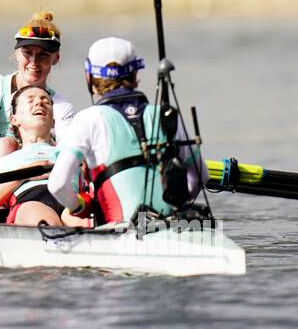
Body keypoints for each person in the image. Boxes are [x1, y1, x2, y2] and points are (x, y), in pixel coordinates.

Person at [46, 37, 204, 227]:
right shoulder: (166, 114)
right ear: (135, 74)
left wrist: (80, 206)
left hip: (121, 233)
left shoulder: (87, 119)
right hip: (174, 228)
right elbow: (200, 176)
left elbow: (58, 185)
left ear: (89, 77)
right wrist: (177, 202)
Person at [0, 11, 76, 180]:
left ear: (56, 58)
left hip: (32, 181)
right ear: (16, 53)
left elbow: (72, 161)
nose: (34, 62)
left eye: (43, 56)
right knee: (7, 146)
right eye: (27, 53)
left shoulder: (60, 106)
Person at [0, 84, 63, 226]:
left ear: (53, 121)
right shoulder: (4, 162)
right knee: (45, 220)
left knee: (83, 218)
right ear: (14, 120)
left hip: (73, 199)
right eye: (30, 100)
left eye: (46, 101)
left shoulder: (68, 151)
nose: (39, 102)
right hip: (33, 201)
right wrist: (24, 174)